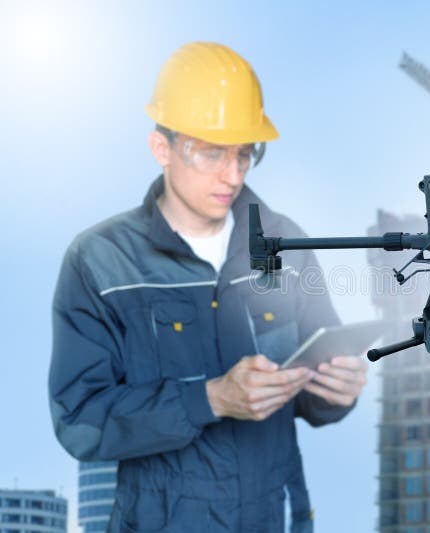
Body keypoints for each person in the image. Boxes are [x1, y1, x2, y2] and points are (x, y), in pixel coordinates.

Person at [48, 41, 368, 532]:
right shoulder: (101, 262)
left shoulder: (287, 243)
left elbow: (312, 387)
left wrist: (336, 392)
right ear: (163, 148)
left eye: (244, 154)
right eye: (212, 153)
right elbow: (79, 421)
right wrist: (210, 399)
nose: (232, 174)